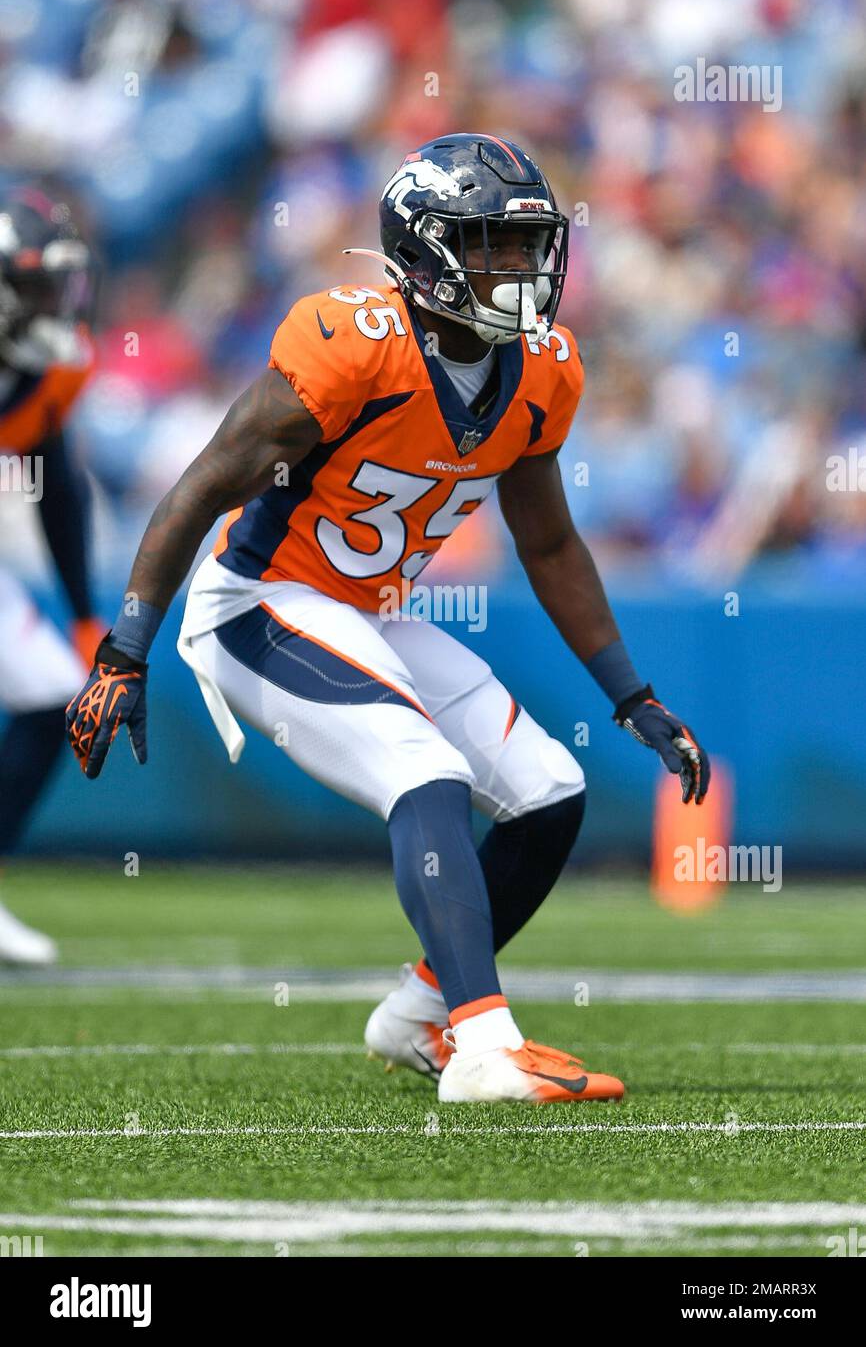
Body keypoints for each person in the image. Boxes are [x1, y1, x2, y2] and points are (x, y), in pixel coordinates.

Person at [66, 135, 709, 1102]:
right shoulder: (353, 342)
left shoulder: (539, 372)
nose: (520, 268)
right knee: (428, 768)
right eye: (492, 245)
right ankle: (485, 1048)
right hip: (259, 603)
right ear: (426, 251)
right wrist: (124, 650)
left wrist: (633, 696)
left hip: (361, 608)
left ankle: (417, 1015)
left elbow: (550, 547)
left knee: (549, 787)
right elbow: (197, 491)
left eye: (528, 245)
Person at [0, 187, 101, 964]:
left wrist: (82, 611)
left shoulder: (50, 371)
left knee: (54, 688)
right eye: (38, 285)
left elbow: (55, 487)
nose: (54, 303)